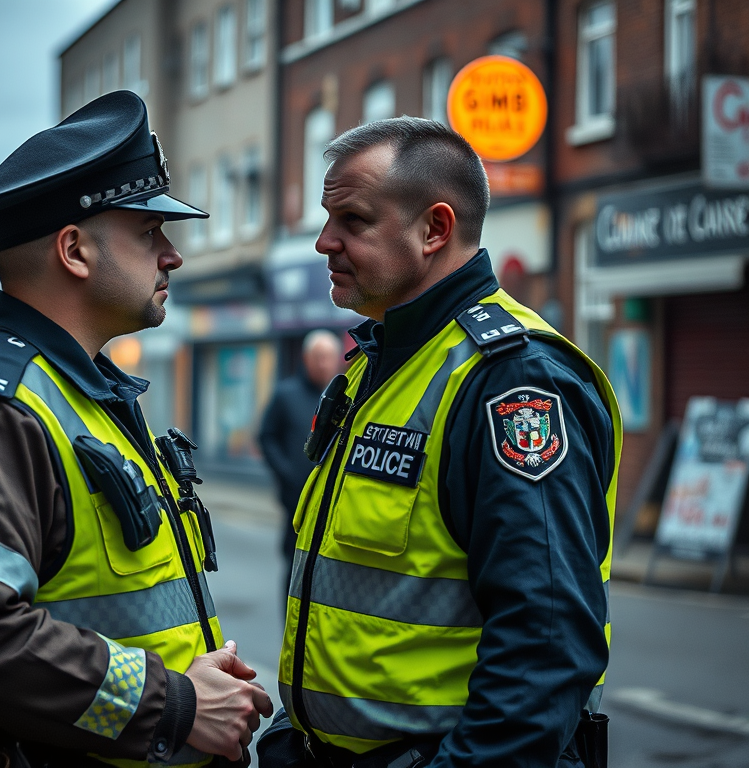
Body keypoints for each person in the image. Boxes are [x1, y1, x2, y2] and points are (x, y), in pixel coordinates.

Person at [0, 90, 272, 768]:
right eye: (148, 233)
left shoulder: (79, 391)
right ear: (75, 250)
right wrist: (173, 704)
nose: (171, 255)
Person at [258, 117, 622, 768]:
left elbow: (545, 643)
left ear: (435, 229)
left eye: (353, 221)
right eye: (326, 218)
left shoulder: (512, 379)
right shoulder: (380, 360)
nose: (323, 243)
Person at [258, 330, 343, 596]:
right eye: (318, 357)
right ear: (306, 359)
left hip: (333, 503)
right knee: (295, 570)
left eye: (329, 357)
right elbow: (266, 437)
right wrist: (287, 473)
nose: (324, 364)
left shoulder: (345, 397)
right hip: (296, 502)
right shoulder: (286, 394)